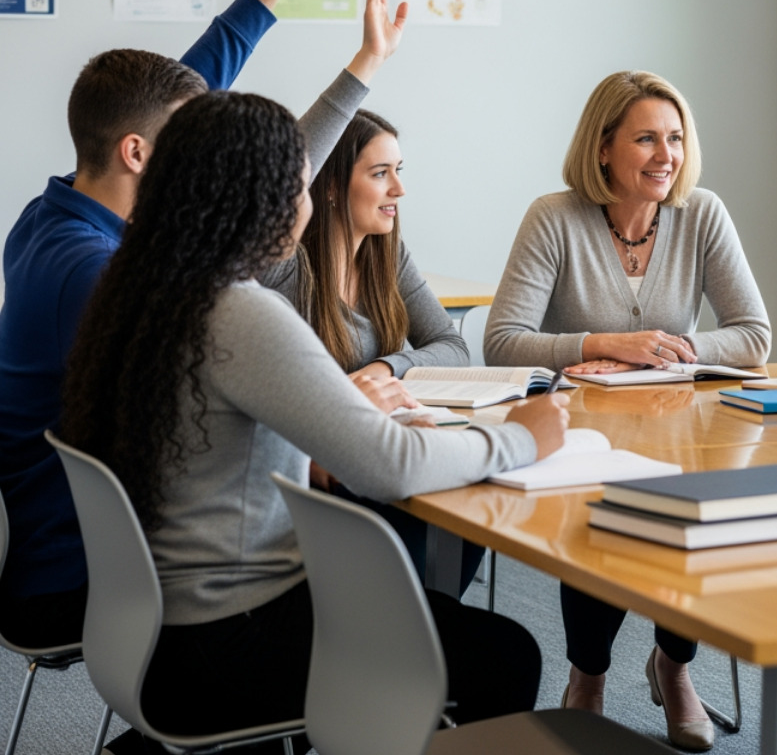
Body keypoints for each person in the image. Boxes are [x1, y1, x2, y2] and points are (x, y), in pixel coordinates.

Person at [58, 89, 569, 753]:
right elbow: (390, 466)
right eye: (301, 185)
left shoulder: (142, 290)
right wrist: (524, 435)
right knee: (507, 656)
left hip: (152, 628)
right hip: (227, 640)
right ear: (267, 198)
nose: (306, 201)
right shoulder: (239, 310)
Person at [0, 0, 325, 652]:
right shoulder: (98, 272)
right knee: (346, 560)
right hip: (89, 572)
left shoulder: (48, 218)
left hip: (69, 548)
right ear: (142, 153)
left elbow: (190, 85)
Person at [484, 70, 771, 751]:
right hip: (583, 431)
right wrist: (603, 342)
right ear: (604, 147)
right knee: (598, 524)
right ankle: (588, 676)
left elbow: (753, 334)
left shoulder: (701, 213)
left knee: (697, 521)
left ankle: (673, 668)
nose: (665, 154)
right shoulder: (553, 217)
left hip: (687, 429)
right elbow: (502, 341)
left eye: (674, 138)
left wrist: (675, 349)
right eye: (646, 138)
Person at [265, 108, 485, 593]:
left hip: (379, 451)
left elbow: (452, 347)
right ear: (328, 184)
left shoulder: (388, 254)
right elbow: (288, 168)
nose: (398, 190)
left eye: (398, 172)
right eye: (380, 174)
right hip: (318, 480)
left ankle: (421, 631)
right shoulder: (286, 268)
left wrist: (388, 367)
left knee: (471, 509)